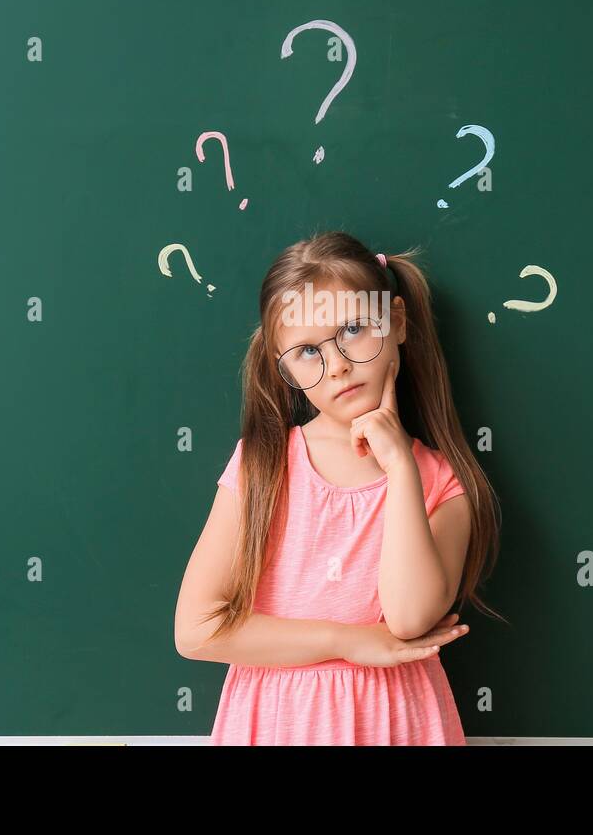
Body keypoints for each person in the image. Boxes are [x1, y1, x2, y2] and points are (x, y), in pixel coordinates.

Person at [175, 230, 504, 744]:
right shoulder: (263, 465)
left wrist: (400, 466)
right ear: (282, 367)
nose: (339, 366)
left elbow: (411, 616)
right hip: (277, 724)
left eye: (353, 329)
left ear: (395, 322)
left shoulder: (442, 481)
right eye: (307, 351)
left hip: (393, 723)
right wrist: (347, 642)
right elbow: (196, 629)